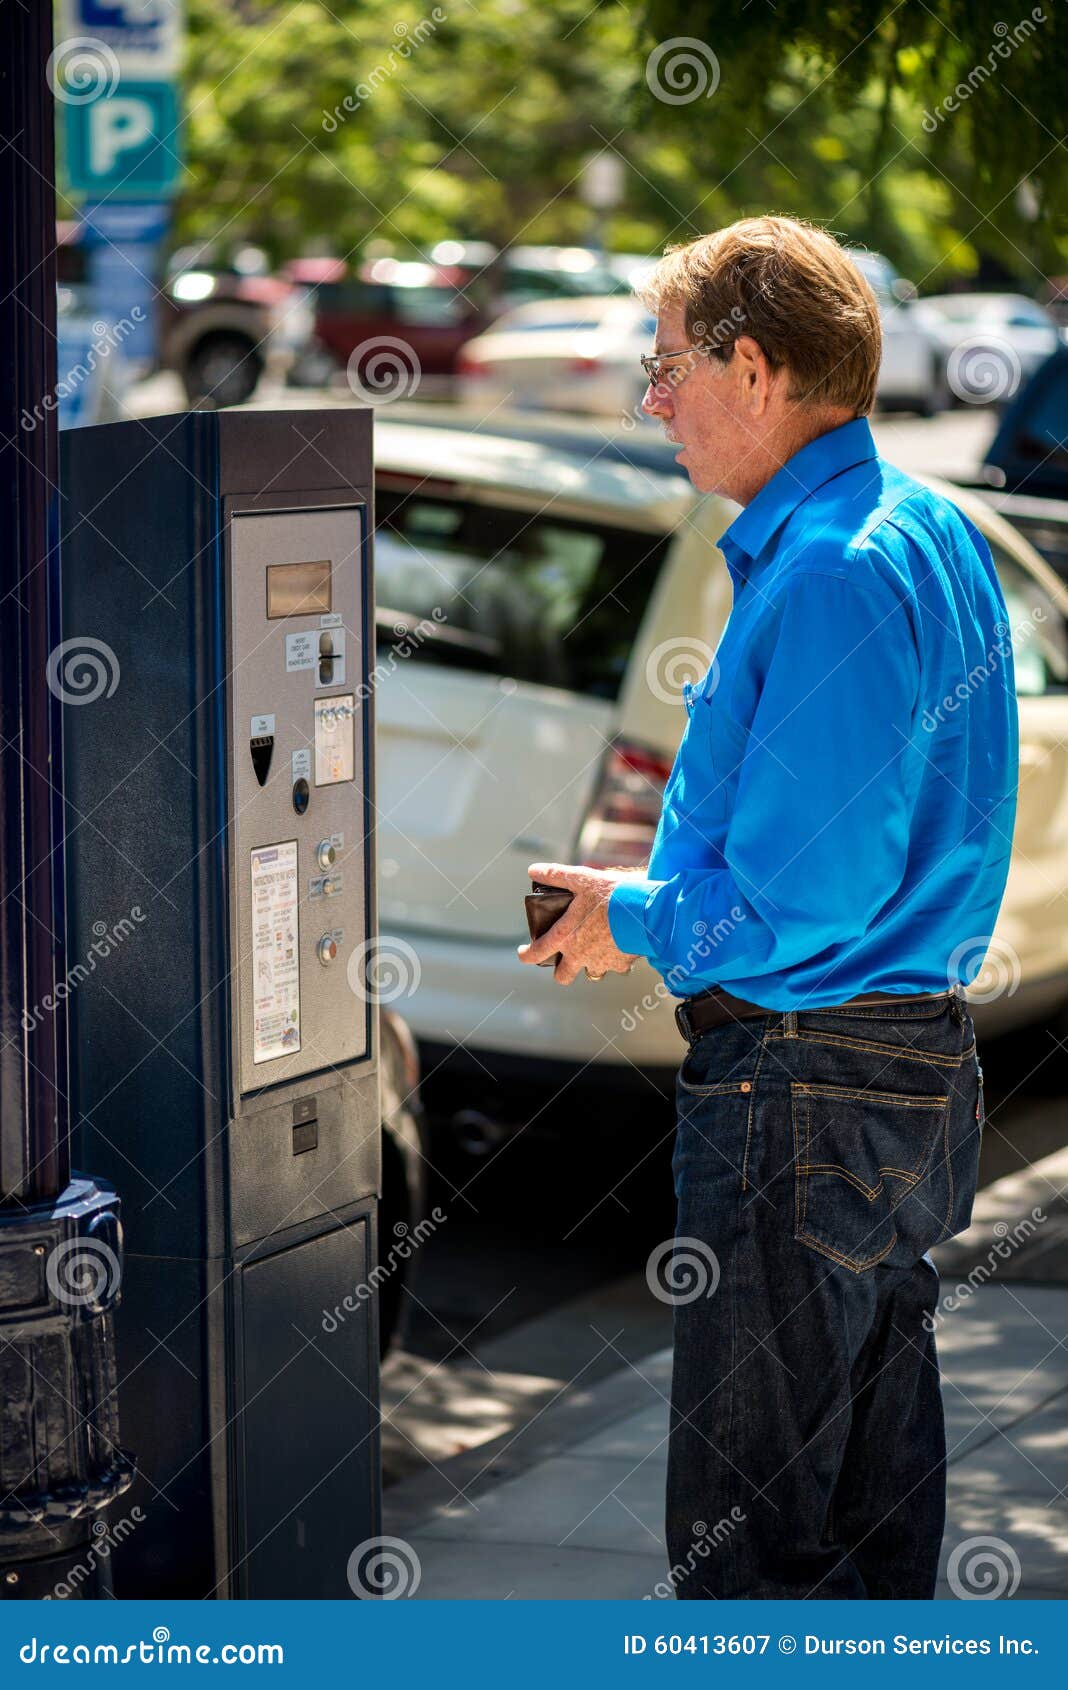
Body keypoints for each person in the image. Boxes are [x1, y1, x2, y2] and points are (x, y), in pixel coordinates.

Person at [516, 215, 1018, 1598]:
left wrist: (640, 916)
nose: (652, 402)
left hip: (808, 1079)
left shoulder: (835, 565)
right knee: (860, 1518)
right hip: (890, 1068)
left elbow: (807, 902)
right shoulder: (918, 527)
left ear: (753, 367)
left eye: (666, 366)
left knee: (755, 1546)